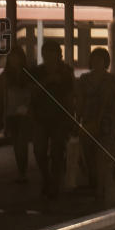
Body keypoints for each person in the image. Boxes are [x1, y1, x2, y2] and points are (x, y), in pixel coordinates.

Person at [76, 48, 115, 205]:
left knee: (102, 156)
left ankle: (99, 189)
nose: (97, 62)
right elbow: (79, 100)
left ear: (105, 62)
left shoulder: (111, 80)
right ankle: (96, 183)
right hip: (88, 121)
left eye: (100, 60)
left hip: (107, 123)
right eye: (95, 59)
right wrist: (77, 117)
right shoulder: (84, 79)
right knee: (89, 155)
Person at [30, 41, 75, 199]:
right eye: (46, 53)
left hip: (60, 118)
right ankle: (46, 177)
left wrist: (72, 117)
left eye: (52, 53)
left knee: (57, 151)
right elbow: (32, 92)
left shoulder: (66, 72)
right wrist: (48, 81)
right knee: (39, 150)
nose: (49, 57)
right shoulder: (38, 71)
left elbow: (71, 95)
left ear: (58, 55)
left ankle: (54, 183)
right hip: (40, 116)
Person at [2, 46, 32, 182]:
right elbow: (4, 96)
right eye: (12, 57)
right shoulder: (7, 74)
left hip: (25, 113)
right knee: (17, 143)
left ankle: (23, 171)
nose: (15, 60)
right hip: (11, 112)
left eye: (17, 57)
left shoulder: (27, 73)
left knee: (21, 142)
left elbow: (31, 93)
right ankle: (21, 171)